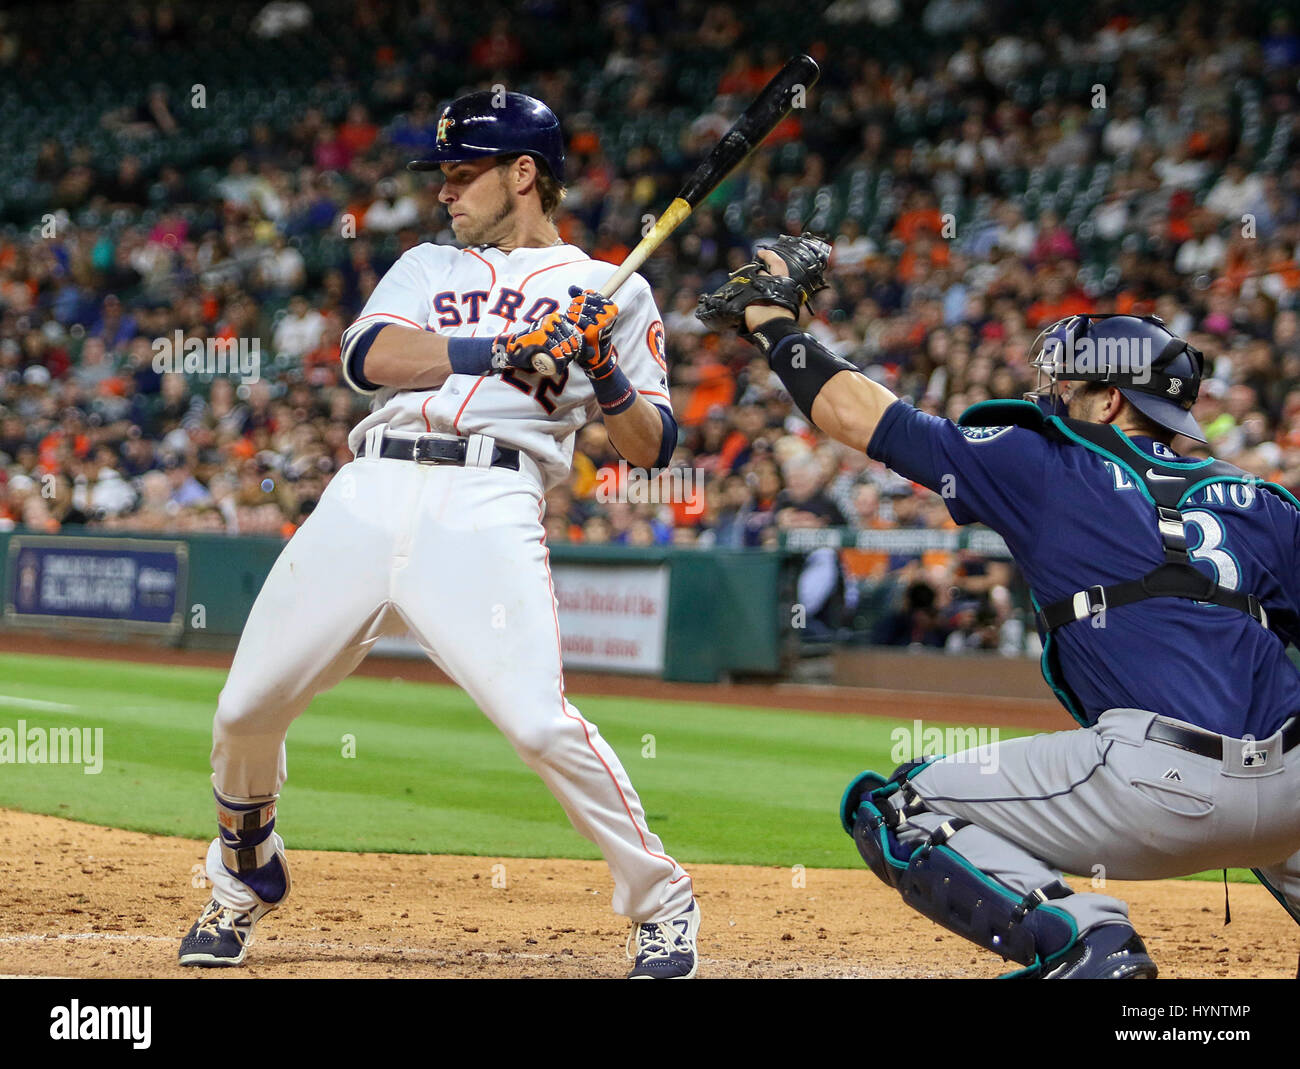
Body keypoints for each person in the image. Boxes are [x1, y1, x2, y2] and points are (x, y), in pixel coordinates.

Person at [179, 91, 700, 979]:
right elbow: (365, 358)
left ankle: (663, 902)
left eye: (463, 174)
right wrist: (495, 348)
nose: (445, 192)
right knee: (242, 710)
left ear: (524, 174)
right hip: (370, 487)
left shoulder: (614, 287)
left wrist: (603, 364)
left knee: (539, 725)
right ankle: (242, 870)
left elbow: (650, 446)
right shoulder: (426, 264)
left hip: (487, 505)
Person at [697, 236, 1300, 978]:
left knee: (898, 807)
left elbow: (864, 418)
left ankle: (1084, 938)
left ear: (1110, 400)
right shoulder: (1268, 503)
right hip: (1292, 795)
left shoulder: (1045, 458)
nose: (1054, 398)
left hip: (1157, 787)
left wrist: (773, 323)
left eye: (1069, 386)